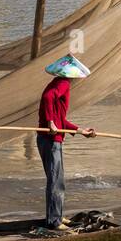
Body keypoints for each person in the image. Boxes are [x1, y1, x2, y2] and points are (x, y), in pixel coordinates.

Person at [37, 54, 95, 230]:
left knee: (56, 180)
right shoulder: (63, 84)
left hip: (49, 139)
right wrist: (50, 122)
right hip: (50, 140)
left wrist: (80, 131)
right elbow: (47, 98)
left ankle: (57, 217)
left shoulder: (57, 83)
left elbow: (62, 120)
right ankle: (54, 222)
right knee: (56, 181)